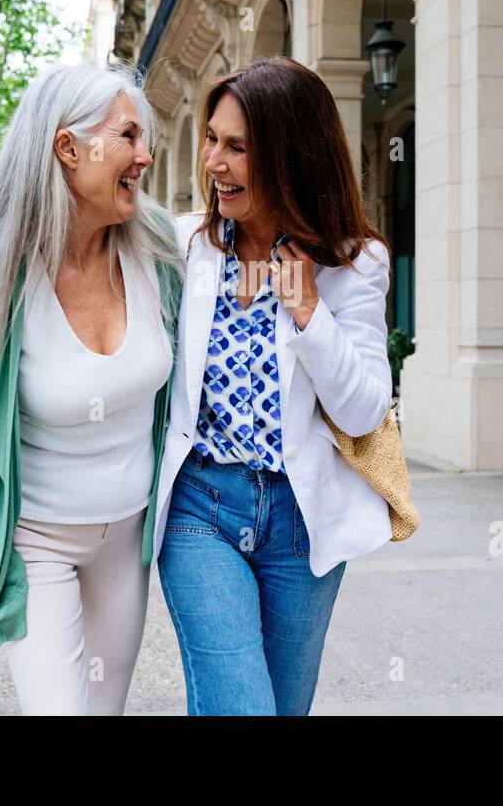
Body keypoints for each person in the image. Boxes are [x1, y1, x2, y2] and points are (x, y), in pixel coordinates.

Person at [0, 62, 181, 715]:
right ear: (67, 147)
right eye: (128, 136)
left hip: (129, 541)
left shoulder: (158, 246)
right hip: (37, 542)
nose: (145, 156)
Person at [152, 55, 394, 715]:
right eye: (212, 139)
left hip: (301, 525)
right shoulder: (184, 246)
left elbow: (367, 408)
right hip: (201, 509)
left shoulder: (354, 262)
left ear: (292, 157)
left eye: (238, 148)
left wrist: (311, 312)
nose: (214, 163)